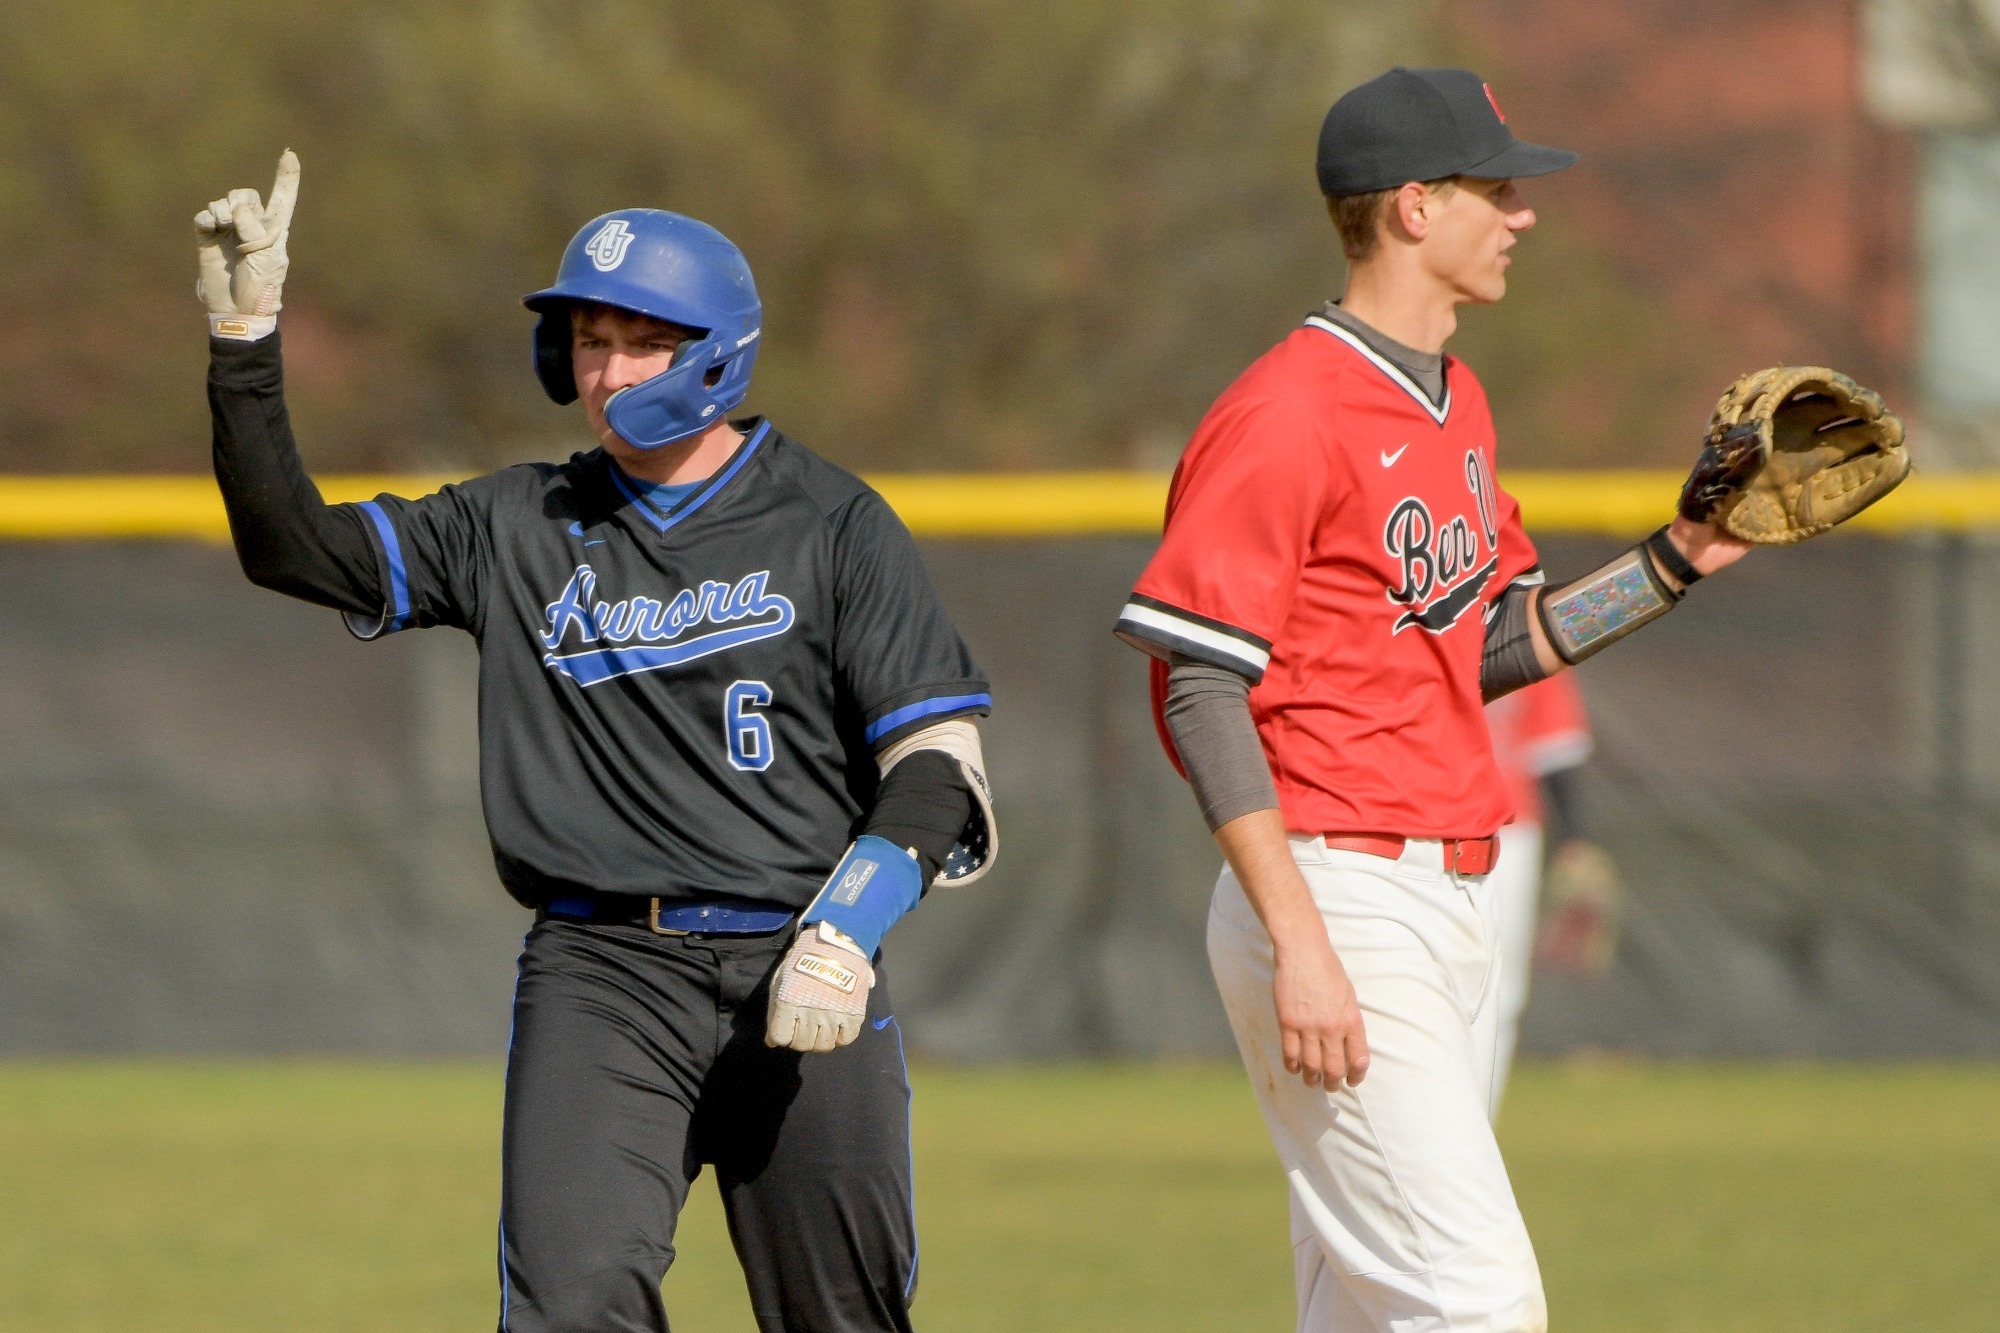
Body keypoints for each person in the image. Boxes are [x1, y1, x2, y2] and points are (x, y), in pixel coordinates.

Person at [196, 152, 996, 1333]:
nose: (606, 370)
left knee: (843, 1317)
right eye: (586, 339)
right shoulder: (516, 522)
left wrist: (849, 924)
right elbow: (294, 549)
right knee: (568, 1308)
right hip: (604, 976)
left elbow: (936, 764)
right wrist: (245, 349)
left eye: (641, 341)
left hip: (805, 957)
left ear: (717, 351)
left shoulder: (832, 522)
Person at [1113, 67, 1754, 1330]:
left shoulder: (1455, 400)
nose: (1520, 214)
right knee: (1477, 1305)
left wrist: (1675, 559)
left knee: (1364, 1311)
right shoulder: (1285, 410)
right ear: (1412, 207)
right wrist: (1298, 938)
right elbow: (1198, 685)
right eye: (1494, 189)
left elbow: (1490, 646)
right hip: (1337, 891)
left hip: (1446, 890)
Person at [1482, 670, 1619, 1114]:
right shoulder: (1403, 627)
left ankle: (1477, 1124)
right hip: (1410, 829)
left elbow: (1556, 751)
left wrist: (1575, 841)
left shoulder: (1520, 619)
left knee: (1501, 992)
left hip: (1510, 833)